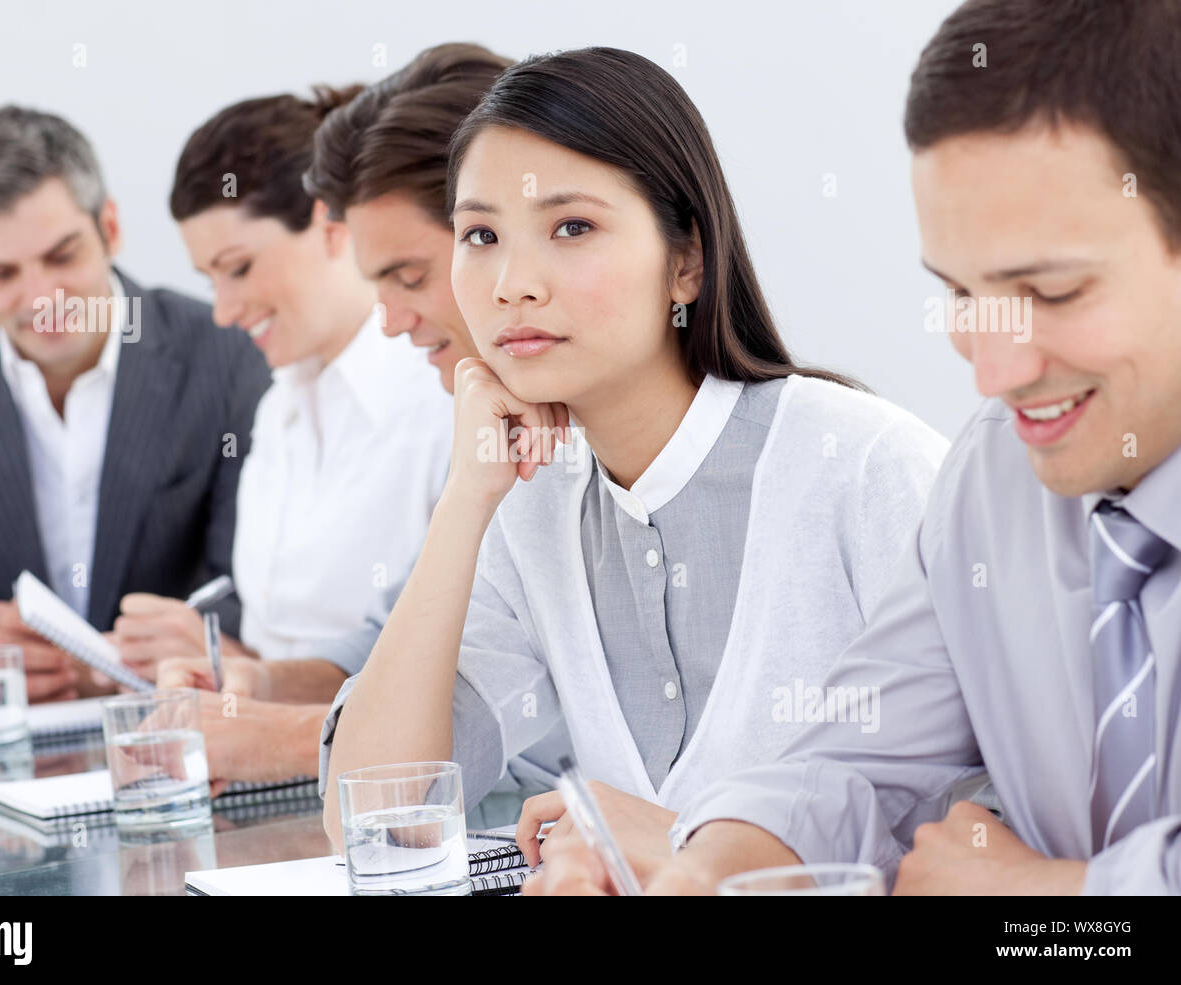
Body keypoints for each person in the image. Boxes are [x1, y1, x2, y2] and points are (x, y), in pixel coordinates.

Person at [530, 0, 1181, 897]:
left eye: (1054, 291)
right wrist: (708, 870)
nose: (992, 369)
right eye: (961, 291)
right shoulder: (997, 480)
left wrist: (1045, 900)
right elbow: (852, 762)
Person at [319, 46, 949, 857]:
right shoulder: (525, 505)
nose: (512, 281)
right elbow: (375, 818)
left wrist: (695, 847)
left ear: (685, 260)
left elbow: (993, 831)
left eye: (571, 226)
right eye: (480, 234)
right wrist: (465, 500)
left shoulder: (863, 466)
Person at [157, 44, 571, 795]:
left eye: (409, 277)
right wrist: (258, 680)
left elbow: (532, 737)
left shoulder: (461, 413)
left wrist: (269, 735)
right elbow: (398, 646)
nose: (391, 321)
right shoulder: (293, 406)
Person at [0, 106, 269, 709]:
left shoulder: (228, 353)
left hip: (179, 731)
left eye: (62, 256)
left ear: (109, 227)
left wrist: (128, 659)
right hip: (0, 754)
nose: (42, 298)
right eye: (2, 272)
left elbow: (255, 595)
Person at [109, 85, 452, 689]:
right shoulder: (276, 409)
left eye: (238, 269)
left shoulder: (438, 397)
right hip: (279, 757)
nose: (222, 310)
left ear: (330, 226)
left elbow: (461, 675)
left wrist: (250, 674)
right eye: (209, 280)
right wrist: (217, 661)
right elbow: (278, 643)